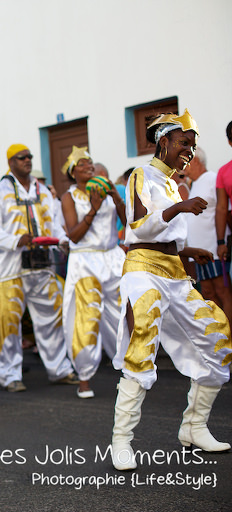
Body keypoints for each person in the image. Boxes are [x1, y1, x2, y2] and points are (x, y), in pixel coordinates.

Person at [110, 109, 232, 471]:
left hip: (174, 271)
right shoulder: (141, 175)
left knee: (218, 336)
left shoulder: (174, 184)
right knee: (143, 339)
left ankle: (194, 426)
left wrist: (187, 249)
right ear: (163, 142)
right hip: (143, 269)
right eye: (183, 144)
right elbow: (138, 225)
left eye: (193, 146)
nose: (189, 152)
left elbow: (167, 237)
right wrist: (179, 206)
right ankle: (122, 440)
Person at [0, 144, 78, 392]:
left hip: (43, 265)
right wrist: (16, 241)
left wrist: (63, 241)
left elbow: (55, 224)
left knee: (52, 321)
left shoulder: (44, 191)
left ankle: (60, 370)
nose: (27, 160)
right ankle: (9, 375)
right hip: (12, 269)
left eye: (29, 157)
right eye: (21, 158)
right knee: (8, 324)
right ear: (10, 162)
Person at [60, 147, 125, 399]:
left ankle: (130, 372)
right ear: (72, 171)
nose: (89, 165)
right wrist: (93, 209)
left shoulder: (105, 189)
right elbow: (74, 235)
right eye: (82, 163)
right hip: (85, 261)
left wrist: (114, 196)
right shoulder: (69, 197)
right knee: (85, 319)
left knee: (121, 316)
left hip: (112, 258)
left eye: (90, 162)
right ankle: (84, 378)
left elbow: (128, 221)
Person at [184, 147, 232, 322]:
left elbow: (224, 210)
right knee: (209, 294)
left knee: (222, 292)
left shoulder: (212, 179)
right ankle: (219, 340)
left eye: (187, 160)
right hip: (199, 251)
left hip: (214, 248)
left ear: (196, 160)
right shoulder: (194, 183)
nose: (183, 166)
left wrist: (222, 243)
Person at [215, 120, 232, 280]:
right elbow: (221, 208)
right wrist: (221, 242)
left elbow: (221, 208)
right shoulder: (223, 172)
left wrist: (221, 242)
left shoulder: (224, 172)